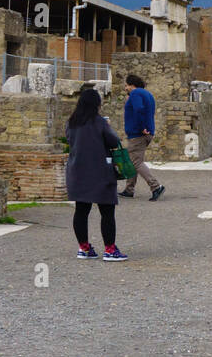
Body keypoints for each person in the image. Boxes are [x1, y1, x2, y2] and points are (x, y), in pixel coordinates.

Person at [64, 87, 127, 260]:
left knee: (81, 210)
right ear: (96, 104)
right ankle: (110, 249)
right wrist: (108, 126)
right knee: (107, 212)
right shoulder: (98, 122)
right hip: (100, 171)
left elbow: (70, 140)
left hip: (77, 171)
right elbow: (114, 141)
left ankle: (84, 248)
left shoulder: (71, 122)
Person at [120, 73, 165, 201]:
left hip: (138, 134)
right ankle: (129, 189)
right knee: (132, 160)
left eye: (126, 85)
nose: (125, 88)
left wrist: (141, 127)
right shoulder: (148, 94)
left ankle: (156, 186)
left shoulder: (135, 94)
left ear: (132, 85)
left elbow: (139, 110)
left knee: (136, 162)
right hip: (146, 132)